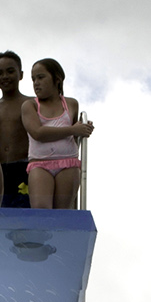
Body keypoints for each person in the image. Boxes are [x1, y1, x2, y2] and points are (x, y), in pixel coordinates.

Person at [22, 58, 92, 209]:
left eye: (41, 77)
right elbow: (37, 133)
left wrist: (83, 129)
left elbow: (73, 136)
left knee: (63, 211)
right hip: (40, 164)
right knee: (41, 210)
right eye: (33, 79)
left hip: (68, 162)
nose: (36, 83)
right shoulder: (30, 105)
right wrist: (73, 129)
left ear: (57, 79)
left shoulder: (71, 103)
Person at [0, 51, 35, 208]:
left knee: (24, 213)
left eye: (10, 71)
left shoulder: (32, 103)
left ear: (21, 74)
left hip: (25, 167)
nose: (5, 76)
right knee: (1, 214)